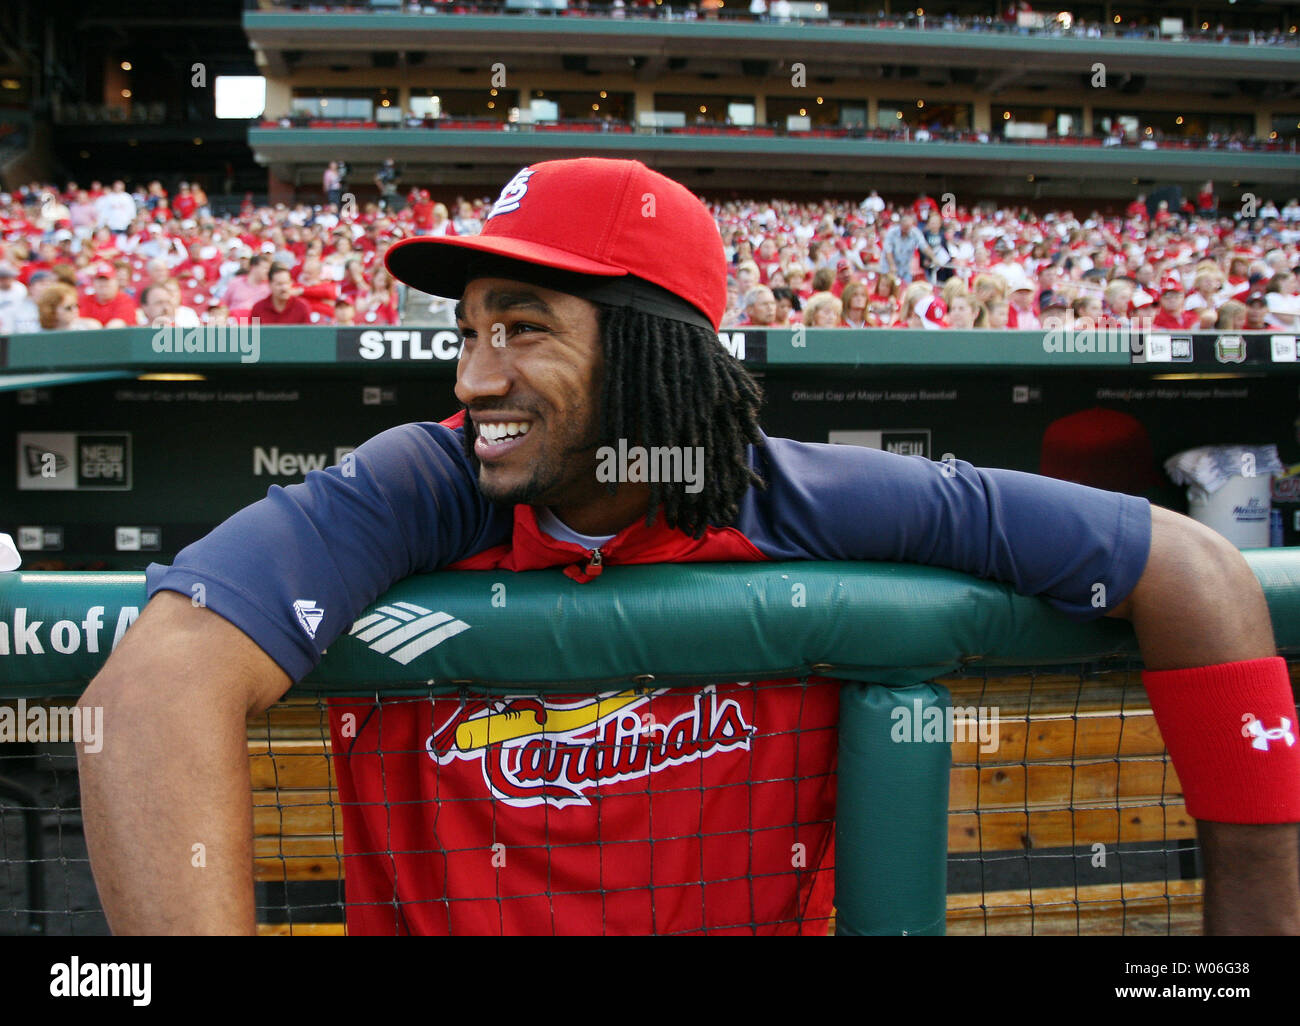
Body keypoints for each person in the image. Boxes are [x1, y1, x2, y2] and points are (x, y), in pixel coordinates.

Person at [79, 157, 1300, 936]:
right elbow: (147, 697)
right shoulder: (422, 484)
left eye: (523, 328)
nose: (474, 375)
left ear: (654, 349)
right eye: (467, 330)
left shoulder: (806, 501)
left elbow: (1192, 570)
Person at [79, 261, 139, 327]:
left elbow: (116, 327)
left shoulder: (125, 300)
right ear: (94, 282)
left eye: (107, 279)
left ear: (116, 282)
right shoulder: (85, 300)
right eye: (100, 279)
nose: (103, 283)